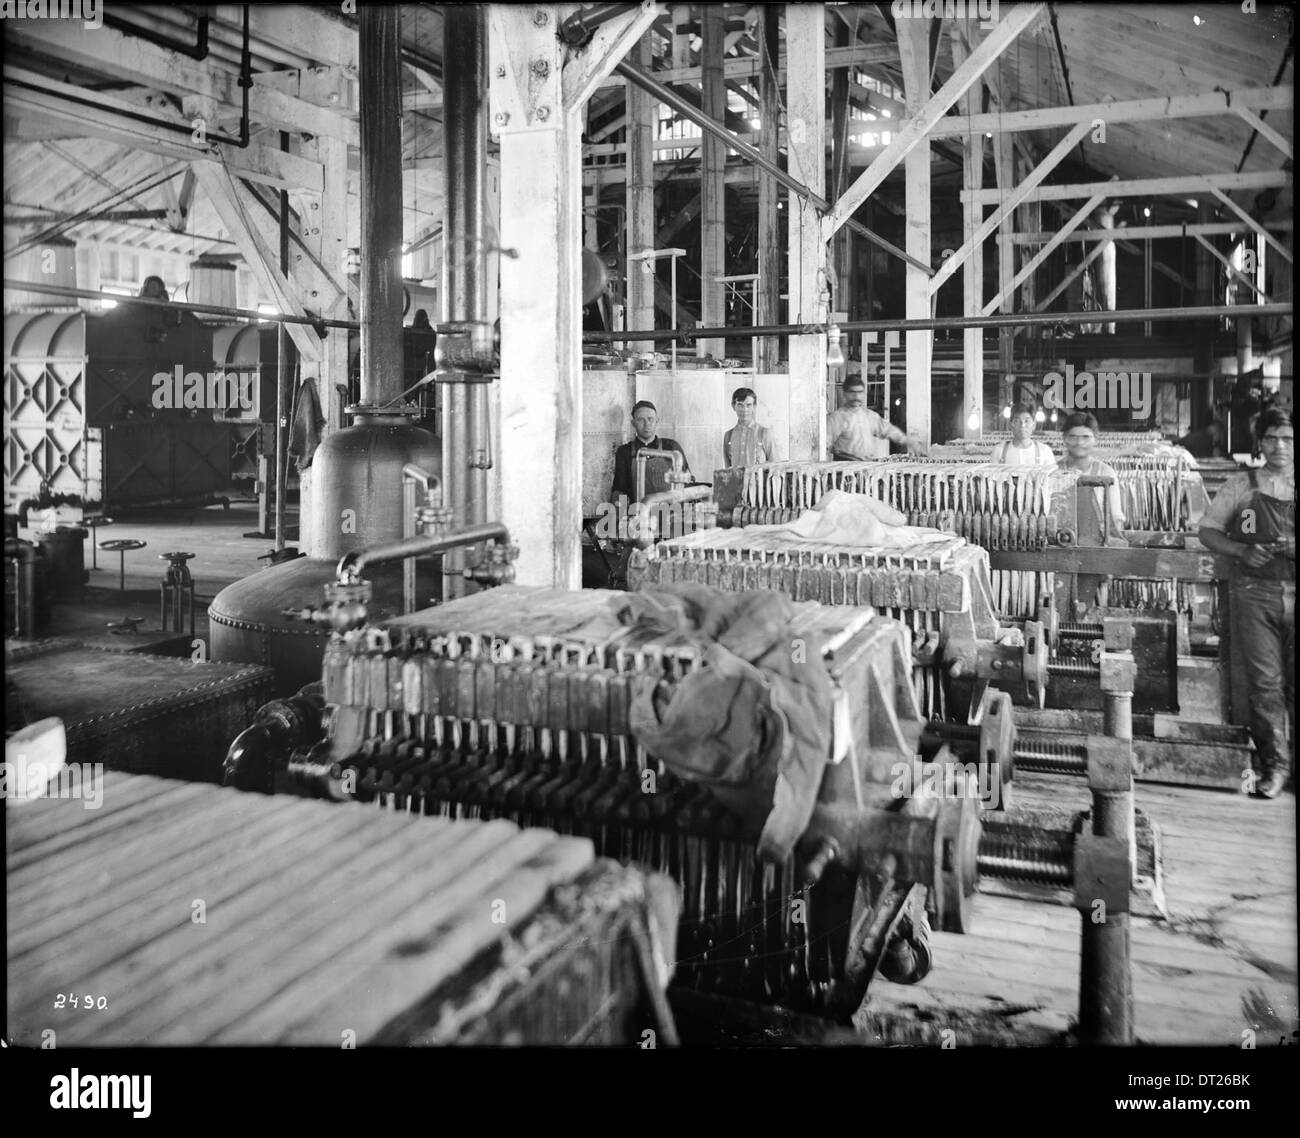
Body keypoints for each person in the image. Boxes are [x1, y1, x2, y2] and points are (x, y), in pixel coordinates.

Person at [1198, 407, 1295, 799]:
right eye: (1272, 438)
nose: (1280, 446)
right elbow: (1208, 531)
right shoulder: (1241, 485)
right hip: (1256, 594)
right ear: (1260, 442)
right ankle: (1275, 767)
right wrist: (1241, 551)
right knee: (1265, 684)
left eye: (1287, 438)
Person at [1059, 411, 1127, 543]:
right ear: (1064, 438)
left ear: (1095, 439)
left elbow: (1116, 518)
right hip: (1061, 543)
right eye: (1073, 436)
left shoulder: (1106, 473)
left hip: (1097, 546)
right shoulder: (1054, 472)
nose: (1079, 442)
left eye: (1086, 437)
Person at [827, 375, 924, 460]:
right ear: (845, 394)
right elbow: (825, 442)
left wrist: (910, 443)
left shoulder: (870, 416)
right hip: (844, 467)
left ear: (864, 393)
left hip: (867, 466)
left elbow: (889, 430)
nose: (856, 396)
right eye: (852, 392)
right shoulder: (836, 418)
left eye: (859, 392)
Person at [611, 400, 690, 503]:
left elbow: (686, 482)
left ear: (657, 420)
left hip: (671, 512)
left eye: (650, 419)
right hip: (639, 512)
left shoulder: (671, 447)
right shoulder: (625, 452)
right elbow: (620, 489)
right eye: (640, 420)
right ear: (633, 423)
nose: (646, 424)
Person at [723, 387, 777, 467]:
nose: (744, 409)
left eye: (748, 405)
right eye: (740, 405)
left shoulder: (764, 433)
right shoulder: (728, 436)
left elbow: (775, 465)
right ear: (733, 406)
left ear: (754, 407)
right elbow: (728, 469)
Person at [992, 404, 1057, 466]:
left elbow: (1052, 477)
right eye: (1017, 421)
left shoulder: (1045, 451)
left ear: (1034, 425)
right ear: (1011, 425)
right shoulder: (999, 450)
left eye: (1027, 421)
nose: (1022, 425)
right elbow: (992, 476)